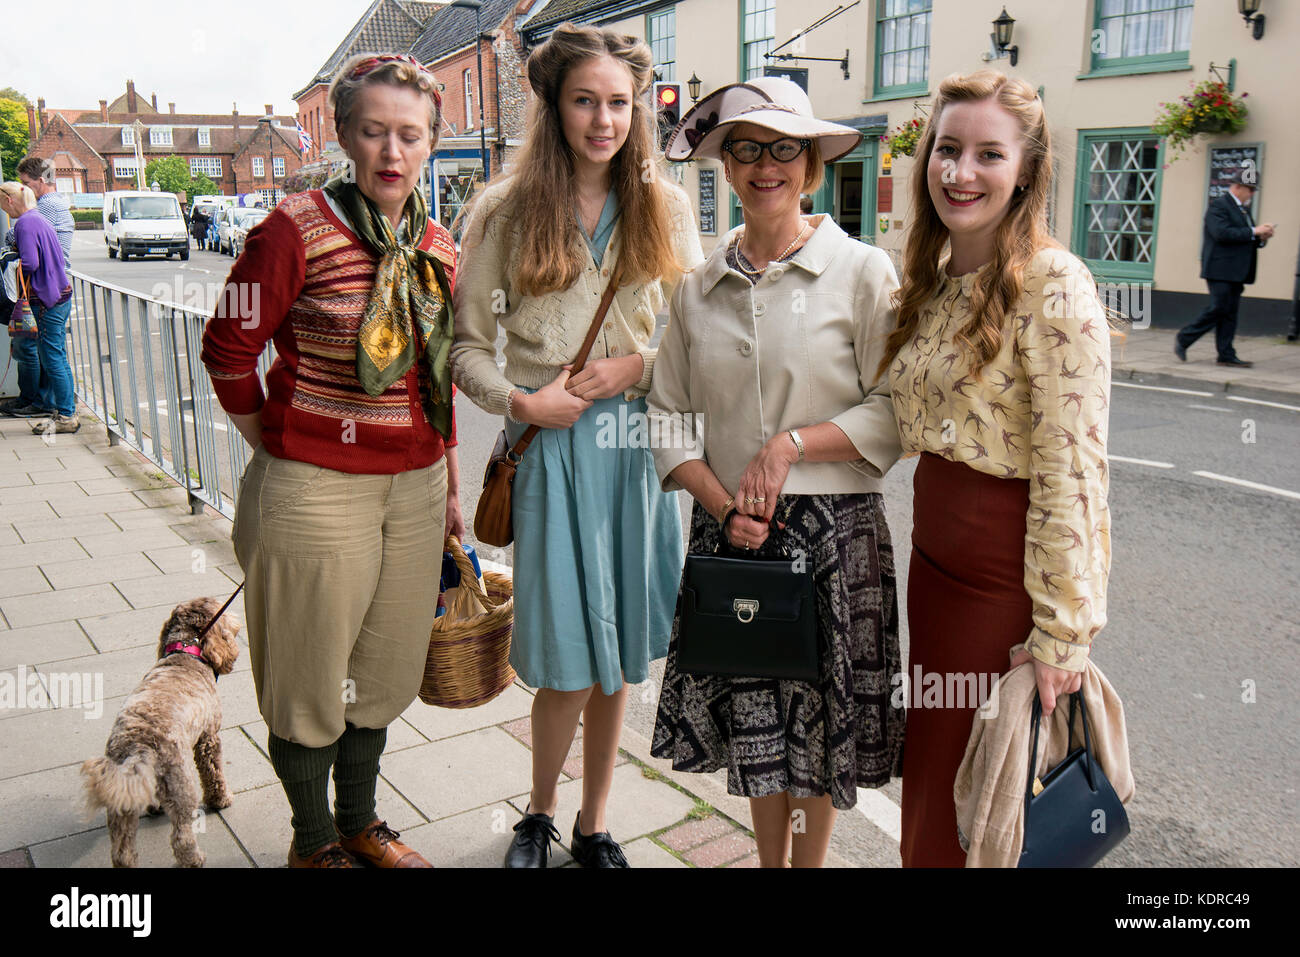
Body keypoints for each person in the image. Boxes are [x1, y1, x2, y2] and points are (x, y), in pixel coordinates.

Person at [201, 52, 463, 869]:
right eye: (375, 131)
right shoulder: (291, 229)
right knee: (309, 675)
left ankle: (361, 823)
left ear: (430, 144)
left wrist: (450, 485)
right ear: (345, 133)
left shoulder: (437, 243)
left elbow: (436, 376)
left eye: (410, 135)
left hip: (415, 487)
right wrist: (278, 448)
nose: (392, 151)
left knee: (381, 669)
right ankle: (311, 842)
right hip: (316, 488)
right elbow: (227, 348)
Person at [452, 22, 703, 868]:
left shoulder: (665, 207)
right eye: (585, 101)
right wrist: (524, 398)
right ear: (555, 107)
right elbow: (464, 349)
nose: (603, 120)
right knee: (565, 658)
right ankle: (538, 812)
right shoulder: (503, 208)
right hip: (550, 453)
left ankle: (595, 823)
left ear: (638, 109)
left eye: (618, 103)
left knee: (619, 652)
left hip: (636, 451)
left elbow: (698, 339)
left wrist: (636, 360)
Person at [648, 77, 905, 868]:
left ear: (811, 162)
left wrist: (792, 444)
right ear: (725, 163)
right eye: (747, 149)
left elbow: (897, 411)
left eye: (784, 148)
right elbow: (664, 422)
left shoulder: (863, 273)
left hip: (834, 537)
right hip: (734, 537)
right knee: (760, 733)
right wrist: (727, 506)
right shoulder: (694, 290)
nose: (767, 166)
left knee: (821, 733)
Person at [878, 70, 1111, 867]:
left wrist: (1061, 635)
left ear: (1026, 169)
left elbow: (1072, 472)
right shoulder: (935, 282)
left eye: (987, 154)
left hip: (998, 586)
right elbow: (899, 418)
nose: (960, 172)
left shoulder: (1055, 284)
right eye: (947, 150)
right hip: (932, 570)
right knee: (935, 788)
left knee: (979, 804)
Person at [1175, 168, 1274, 367]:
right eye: (1250, 189)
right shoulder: (1219, 206)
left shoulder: (1243, 210)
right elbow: (1222, 233)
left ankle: (1226, 354)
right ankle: (1184, 338)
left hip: (1237, 270)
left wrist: (1261, 237)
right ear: (1237, 187)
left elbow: (1245, 237)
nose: (1253, 194)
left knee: (1230, 313)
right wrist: (1254, 230)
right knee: (1219, 308)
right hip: (1219, 269)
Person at [0, 182, 78, 433]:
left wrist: (13, 267)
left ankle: (66, 416)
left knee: (52, 358)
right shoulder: (37, 218)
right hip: (57, 296)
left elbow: (31, 262)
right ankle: (64, 411)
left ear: (8, 200)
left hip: (46, 301)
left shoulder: (24, 223)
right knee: (56, 357)